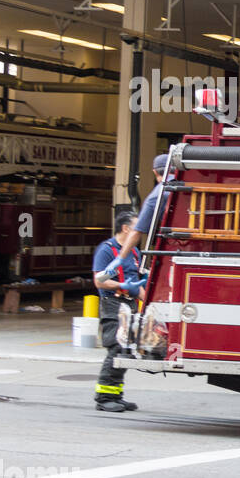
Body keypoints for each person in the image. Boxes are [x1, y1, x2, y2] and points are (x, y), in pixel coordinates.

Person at [92, 212, 147, 413]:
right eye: (136, 227)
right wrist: (122, 285)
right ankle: (104, 398)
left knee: (126, 351)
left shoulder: (133, 253)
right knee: (116, 347)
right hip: (113, 304)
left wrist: (149, 302)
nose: (140, 232)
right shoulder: (106, 251)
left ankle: (116, 395)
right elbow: (99, 280)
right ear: (125, 228)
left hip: (130, 305)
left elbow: (137, 282)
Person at [116, 152, 170, 257]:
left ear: (155, 172)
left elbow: (137, 231)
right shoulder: (191, 185)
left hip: (173, 246)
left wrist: (120, 258)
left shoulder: (156, 195)